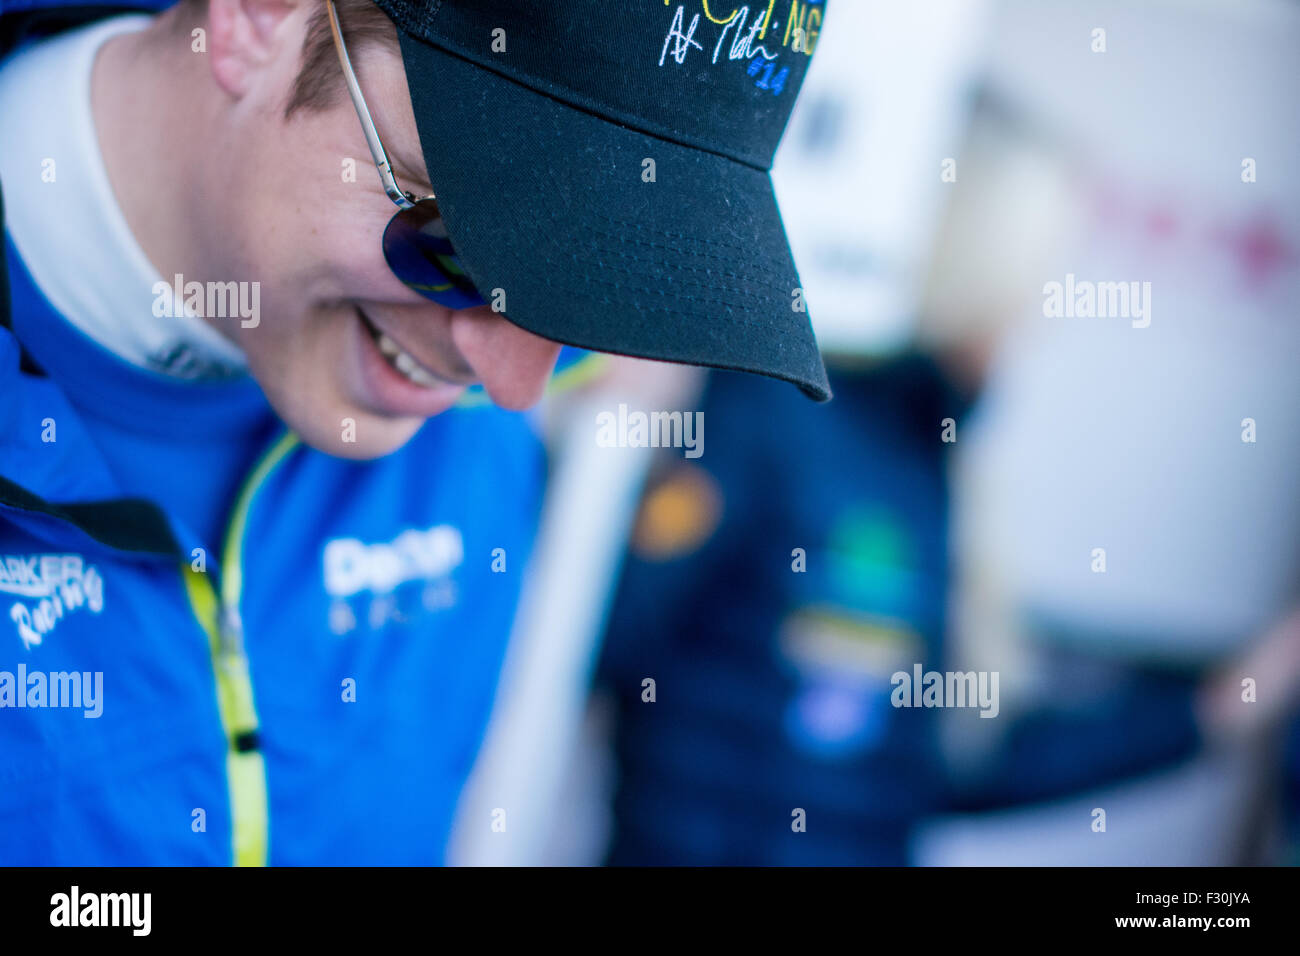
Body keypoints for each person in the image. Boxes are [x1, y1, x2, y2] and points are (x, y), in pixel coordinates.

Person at [0, 0, 830, 864]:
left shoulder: (454, 397)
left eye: (591, 294)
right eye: (456, 248)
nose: (511, 385)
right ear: (255, 19)